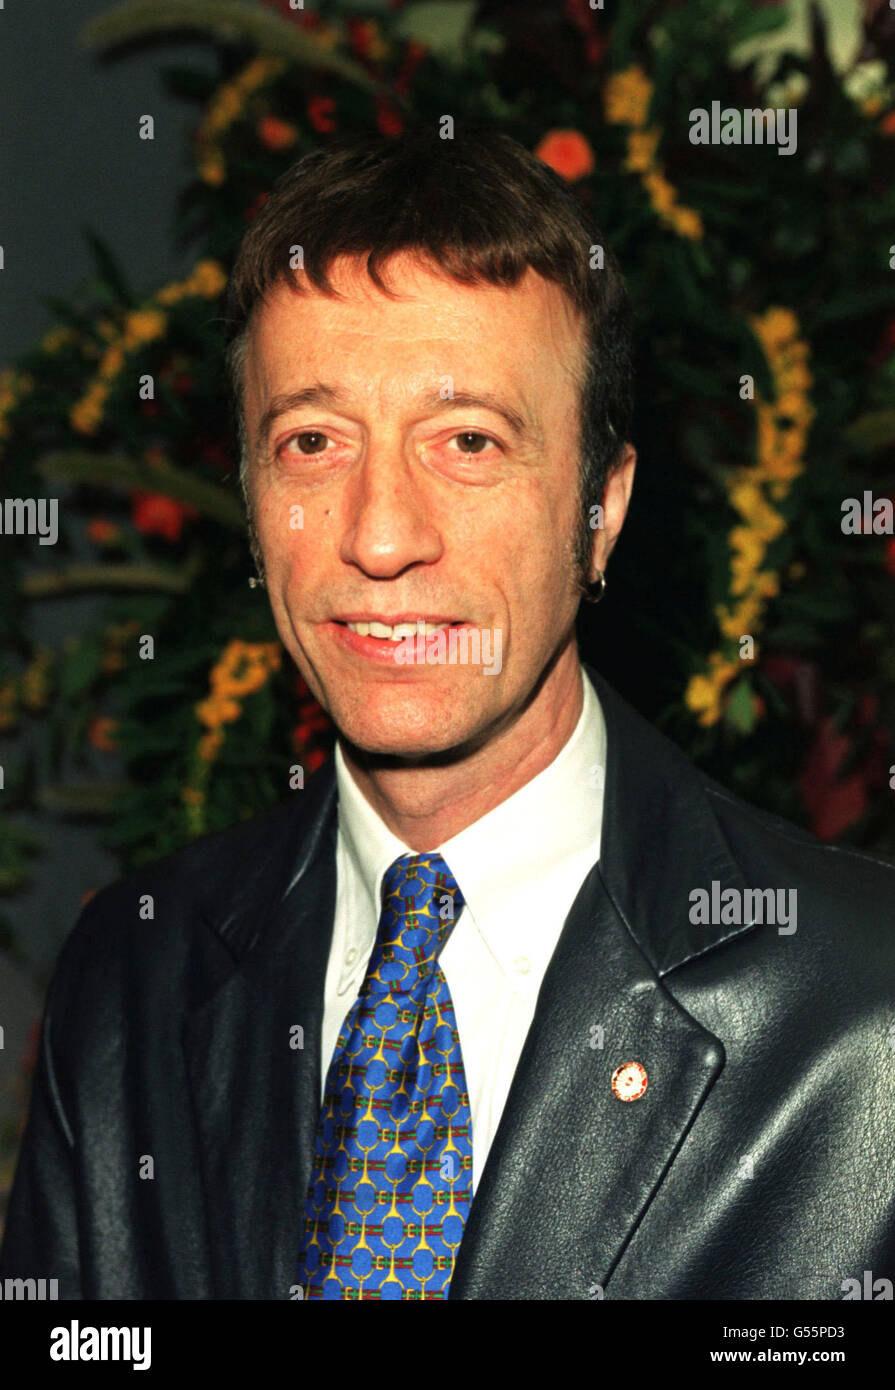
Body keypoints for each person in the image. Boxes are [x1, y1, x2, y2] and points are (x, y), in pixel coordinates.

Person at [2, 125, 894, 1302]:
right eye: (312, 443)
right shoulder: (133, 978)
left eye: (467, 441)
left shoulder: (860, 1014)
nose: (380, 535)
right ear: (253, 499)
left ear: (601, 509)